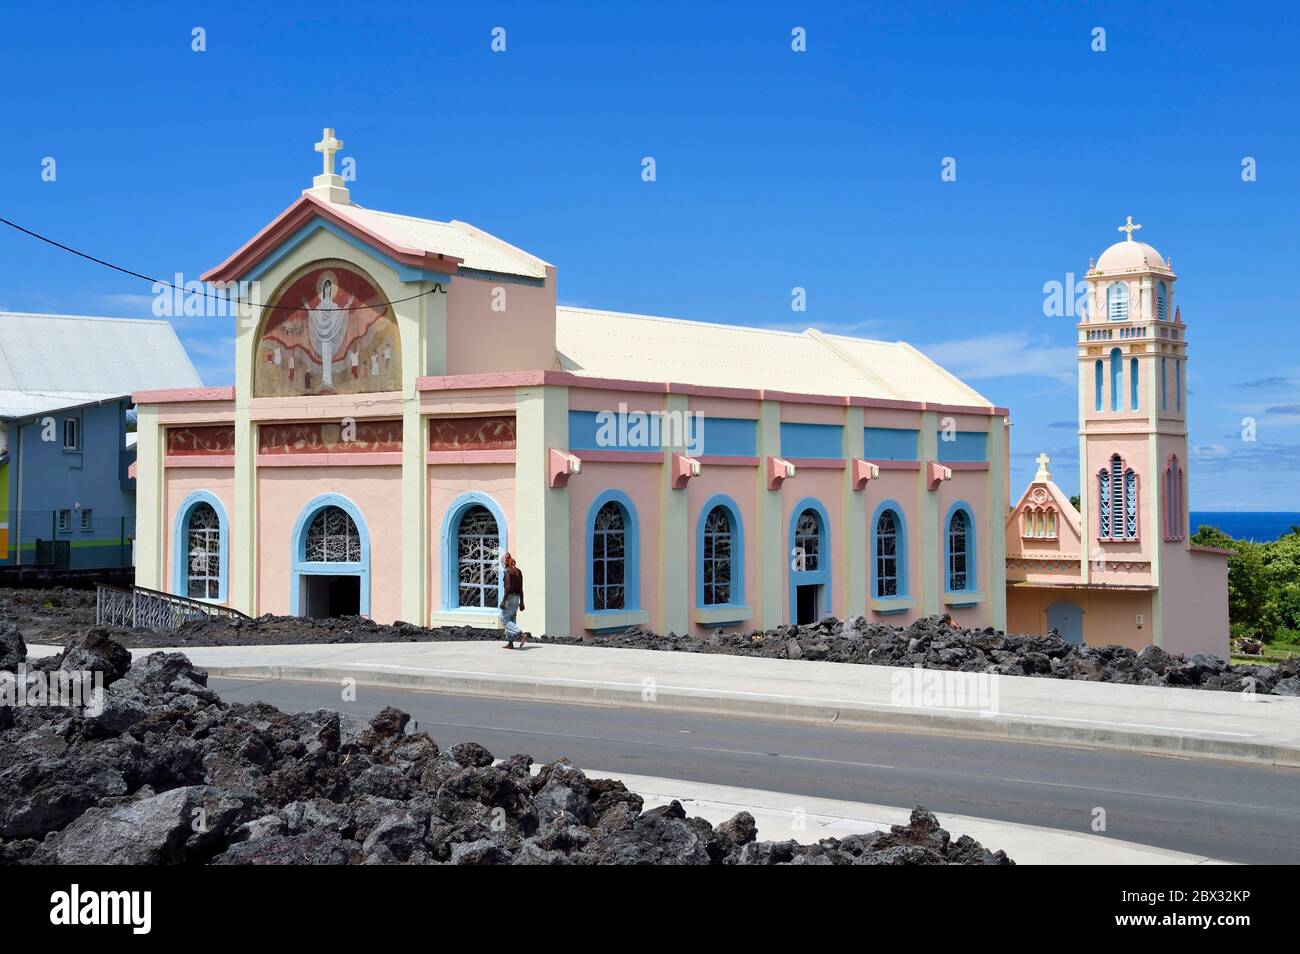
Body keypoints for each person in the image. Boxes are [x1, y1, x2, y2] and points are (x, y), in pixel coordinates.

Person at [501, 552, 528, 649]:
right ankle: (510, 643)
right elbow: (521, 588)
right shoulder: (518, 571)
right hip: (516, 598)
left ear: (506, 562)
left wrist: (504, 600)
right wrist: (522, 602)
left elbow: (507, 587)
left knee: (504, 619)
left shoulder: (508, 571)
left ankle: (521, 634)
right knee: (512, 619)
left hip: (510, 598)